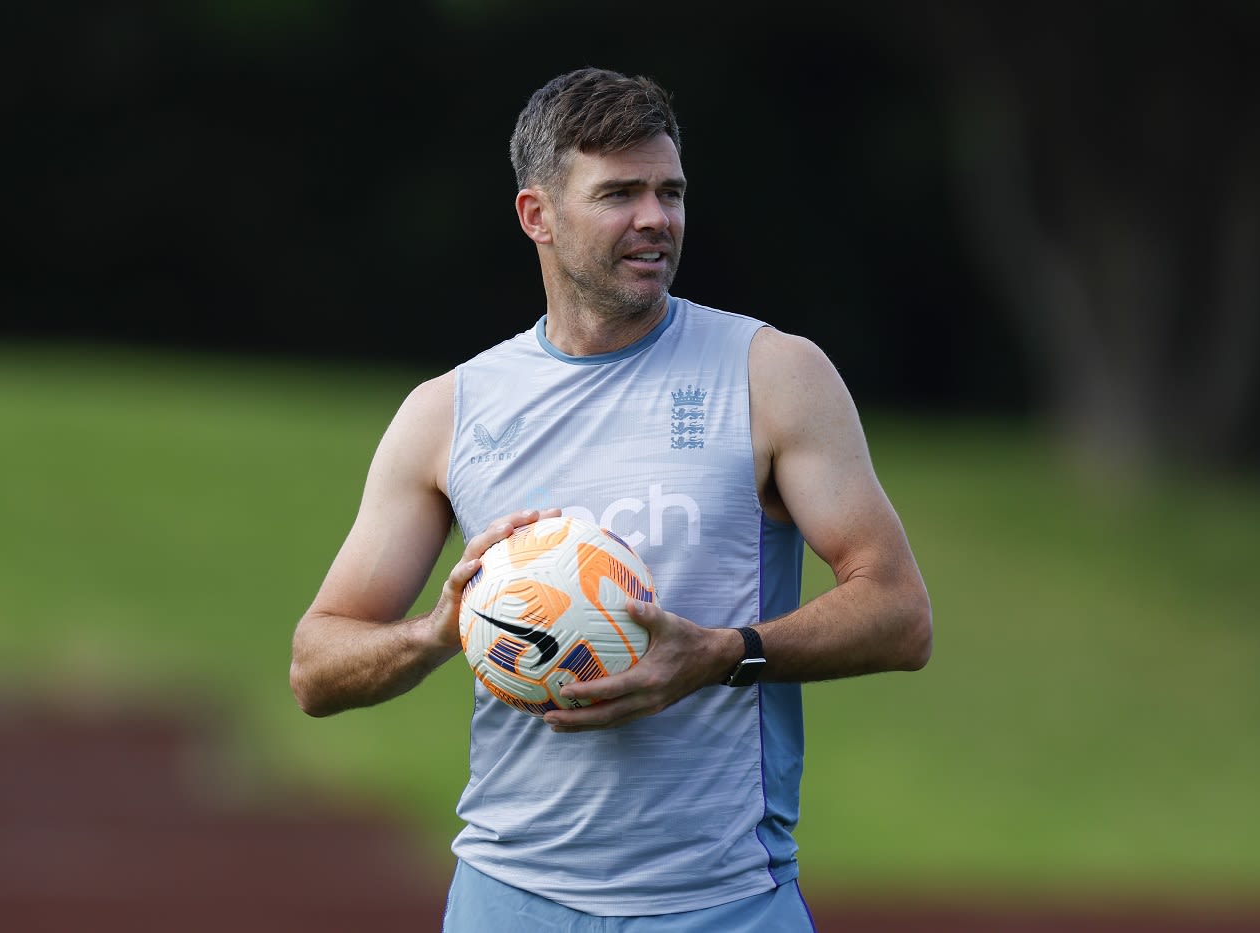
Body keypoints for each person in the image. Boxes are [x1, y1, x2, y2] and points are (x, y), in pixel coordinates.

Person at [289, 66, 932, 931]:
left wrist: (719, 652)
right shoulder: (449, 411)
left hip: (724, 901)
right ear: (537, 216)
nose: (656, 219)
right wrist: (441, 632)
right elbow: (316, 666)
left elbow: (899, 613)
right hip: (509, 898)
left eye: (670, 192)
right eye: (619, 193)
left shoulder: (772, 375)